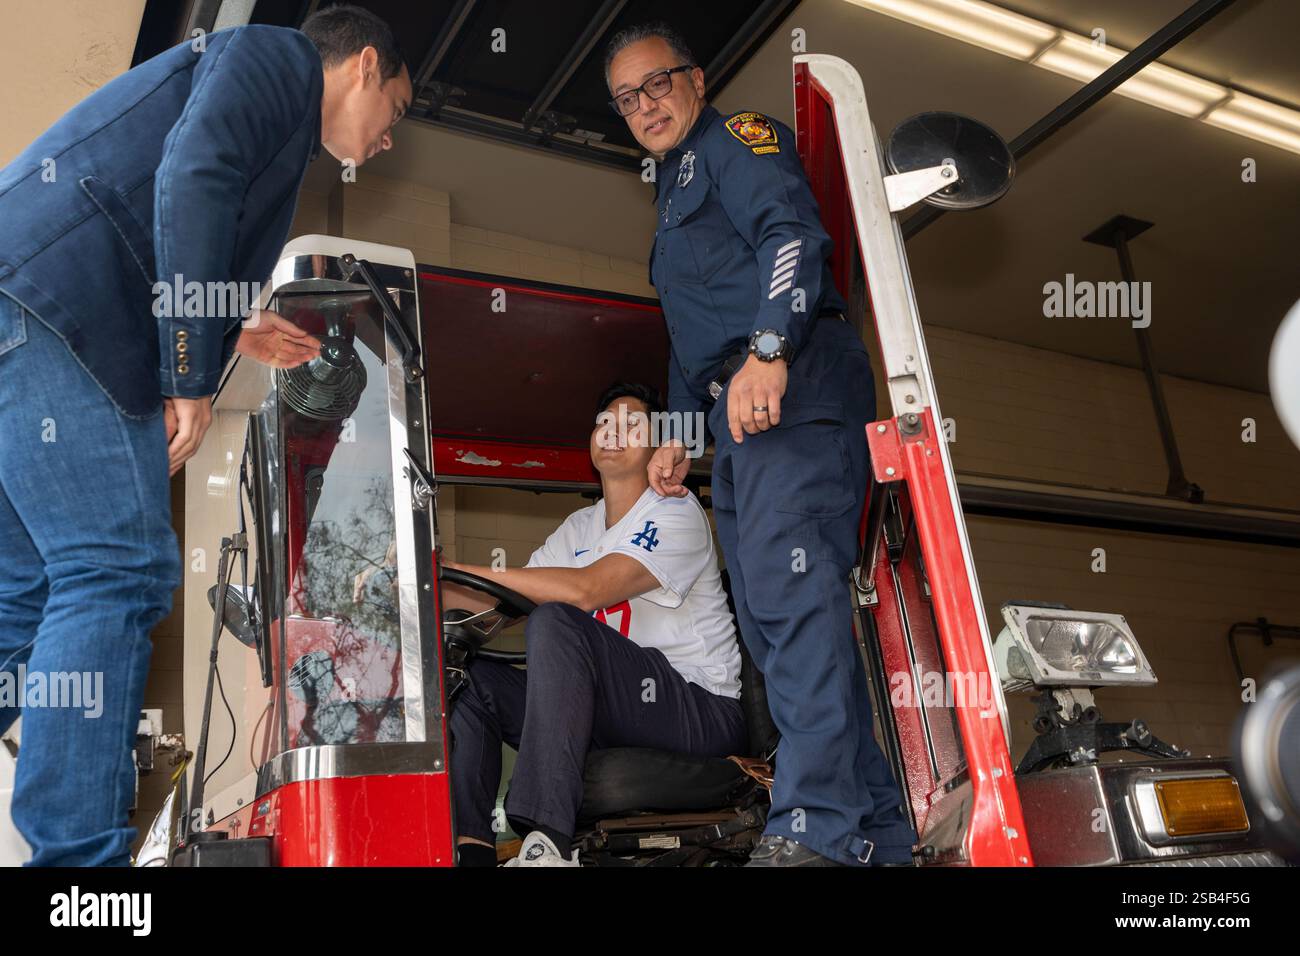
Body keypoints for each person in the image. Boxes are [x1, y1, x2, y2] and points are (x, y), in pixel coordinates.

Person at [0, 4, 411, 865]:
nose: (387, 141)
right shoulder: (274, 60)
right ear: (365, 66)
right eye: (398, 115)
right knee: (113, 568)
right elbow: (194, 174)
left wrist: (233, 327)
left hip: (23, 304)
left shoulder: (270, 109)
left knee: (23, 605)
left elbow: (180, 195)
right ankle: (80, 875)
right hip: (57, 307)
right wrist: (187, 372)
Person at [605, 22, 918, 866]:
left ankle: (813, 820)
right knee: (777, 625)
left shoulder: (738, 142)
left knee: (795, 607)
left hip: (794, 394)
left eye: (658, 84)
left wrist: (770, 348)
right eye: (627, 99)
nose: (645, 106)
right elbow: (685, 338)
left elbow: (793, 238)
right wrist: (675, 437)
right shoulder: (670, 206)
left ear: (696, 79)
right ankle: (877, 834)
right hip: (738, 425)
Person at [444, 383, 745, 867]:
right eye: (604, 422)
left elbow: (587, 589)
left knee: (558, 621)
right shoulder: (578, 527)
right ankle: (470, 851)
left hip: (698, 708)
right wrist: (420, 579)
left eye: (631, 424)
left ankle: (546, 844)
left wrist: (469, 572)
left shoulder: (677, 509)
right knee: (470, 678)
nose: (613, 431)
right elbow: (502, 601)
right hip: (612, 712)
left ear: (657, 445)